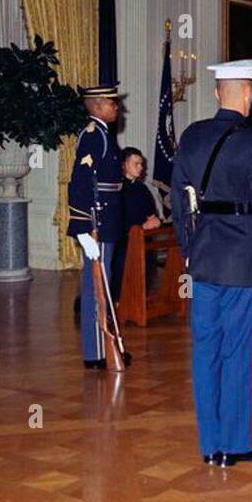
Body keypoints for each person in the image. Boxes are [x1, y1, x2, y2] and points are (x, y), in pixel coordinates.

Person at [171, 59, 252, 467]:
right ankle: (235, 444)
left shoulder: (193, 135)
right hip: (242, 262)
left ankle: (210, 445)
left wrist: (186, 247)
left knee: (205, 350)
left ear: (218, 92)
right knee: (239, 351)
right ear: (248, 92)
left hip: (202, 259)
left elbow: (178, 199)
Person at [66, 83, 129, 370]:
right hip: (97, 220)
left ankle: (103, 348)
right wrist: (82, 227)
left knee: (105, 280)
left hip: (108, 217)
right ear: (96, 106)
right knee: (96, 285)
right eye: (112, 103)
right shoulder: (93, 135)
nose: (117, 107)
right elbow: (80, 181)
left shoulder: (104, 134)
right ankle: (96, 353)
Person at [109, 147, 162, 300]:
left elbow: (151, 214)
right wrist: (141, 227)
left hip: (141, 239)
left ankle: (138, 299)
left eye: (141, 164)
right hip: (122, 242)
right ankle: (119, 299)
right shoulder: (116, 188)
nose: (141, 167)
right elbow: (118, 219)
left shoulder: (142, 189)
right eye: (136, 163)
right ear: (124, 165)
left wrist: (154, 221)